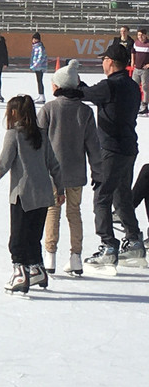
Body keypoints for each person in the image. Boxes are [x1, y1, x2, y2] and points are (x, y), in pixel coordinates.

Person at [0, 96, 63, 293]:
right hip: (43, 194)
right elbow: (54, 164)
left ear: (14, 113)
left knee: (17, 239)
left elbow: (3, 165)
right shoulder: (41, 134)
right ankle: (37, 270)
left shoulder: (14, 135)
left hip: (23, 196)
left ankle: (20, 273)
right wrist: (60, 189)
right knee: (33, 236)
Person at [79, 43, 145, 269]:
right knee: (122, 195)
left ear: (110, 62)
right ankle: (134, 241)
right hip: (128, 148)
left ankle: (108, 245)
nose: (102, 63)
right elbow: (90, 93)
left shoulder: (109, 85)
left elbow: (84, 93)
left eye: (104, 59)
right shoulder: (132, 85)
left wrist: (71, 83)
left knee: (102, 197)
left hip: (112, 150)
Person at [37, 60, 100, 276]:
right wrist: (97, 171)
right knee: (74, 212)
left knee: (52, 210)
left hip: (52, 173)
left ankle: (50, 255)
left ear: (58, 86)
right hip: (76, 173)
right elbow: (93, 146)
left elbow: (37, 142)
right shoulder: (85, 111)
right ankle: (76, 257)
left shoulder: (49, 109)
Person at [132, 28, 149, 116]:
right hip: (137, 69)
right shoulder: (136, 43)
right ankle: (135, 103)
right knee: (134, 86)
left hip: (145, 70)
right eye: (138, 35)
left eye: (142, 35)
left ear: (146, 35)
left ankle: (145, 106)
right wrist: (133, 61)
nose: (140, 37)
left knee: (145, 88)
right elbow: (133, 52)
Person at [29, 33, 47, 103]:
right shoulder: (35, 47)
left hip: (40, 67)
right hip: (37, 67)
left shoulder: (40, 47)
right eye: (33, 39)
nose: (33, 40)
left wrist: (34, 66)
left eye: (35, 39)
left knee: (39, 81)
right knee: (39, 81)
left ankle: (42, 96)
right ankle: (40, 95)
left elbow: (40, 58)